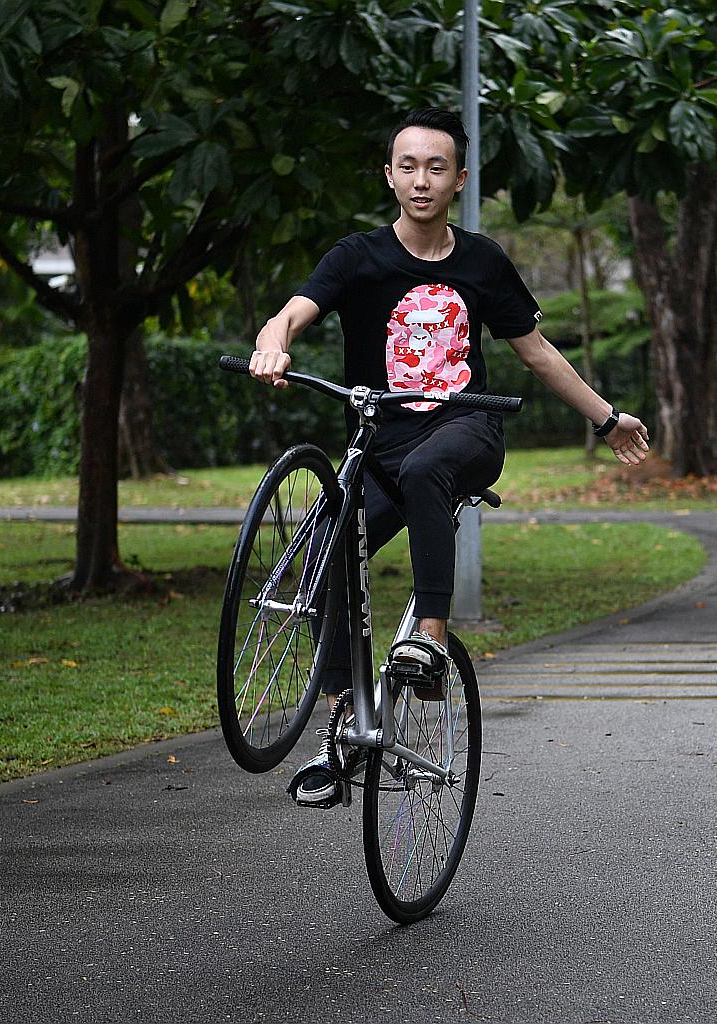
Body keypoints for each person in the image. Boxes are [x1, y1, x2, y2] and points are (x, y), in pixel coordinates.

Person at [250, 107, 650, 807]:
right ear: (389, 175)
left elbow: (537, 352)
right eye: (408, 166)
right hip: (379, 448)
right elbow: (291, 310)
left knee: (428, 469)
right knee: (321, 551)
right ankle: (344, 720)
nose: (421, 180)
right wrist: (274, 341)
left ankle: (429, 639)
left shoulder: (482, 261)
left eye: (436, 167)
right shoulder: (357, 256)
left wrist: (608, 418)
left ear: (459, 179)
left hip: (467, 433)